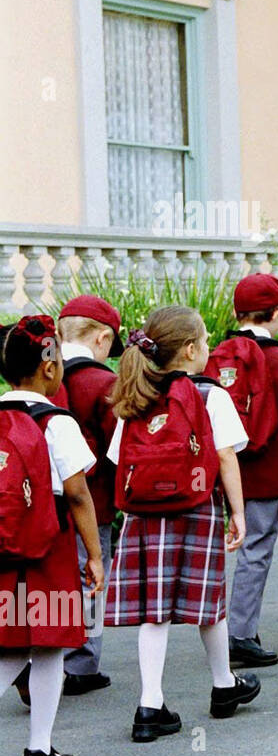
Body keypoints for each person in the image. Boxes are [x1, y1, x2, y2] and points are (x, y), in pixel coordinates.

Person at [103, 306, 259, 742]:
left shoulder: (137, 393)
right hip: (196, 506)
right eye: (206, 340)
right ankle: (224, 684)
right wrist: (238, 513)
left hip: (144, 514)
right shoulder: (211, 395)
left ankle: (149, 705)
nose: (208, 347)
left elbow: (119, 459)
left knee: (156, 610)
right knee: (208, 600)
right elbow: (226, 456)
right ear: (191, 349)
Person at [0, 316, 102, 756]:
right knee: (47, 648)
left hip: (4, 547)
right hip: (49, 548)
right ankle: (37, 751)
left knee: (9, 646)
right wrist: (95, 555)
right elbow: (78, 494)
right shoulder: (55, 421)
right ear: (48, 367)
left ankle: (41, 751)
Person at [210, 273, 278, 669]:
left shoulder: (215, 354)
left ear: (237, 312)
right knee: (254, 552)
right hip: (264, 471)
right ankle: (240, 634)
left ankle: (219, 631)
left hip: (217, 468)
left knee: (216, 551)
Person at [52, 295, 121, 696]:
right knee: (92, 576)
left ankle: (48, 649)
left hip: (45, 499)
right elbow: (118, 445)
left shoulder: (46, 376)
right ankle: (81, 662)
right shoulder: (103, 382)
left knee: (59, 577)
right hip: (92, 502)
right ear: (102, 338)